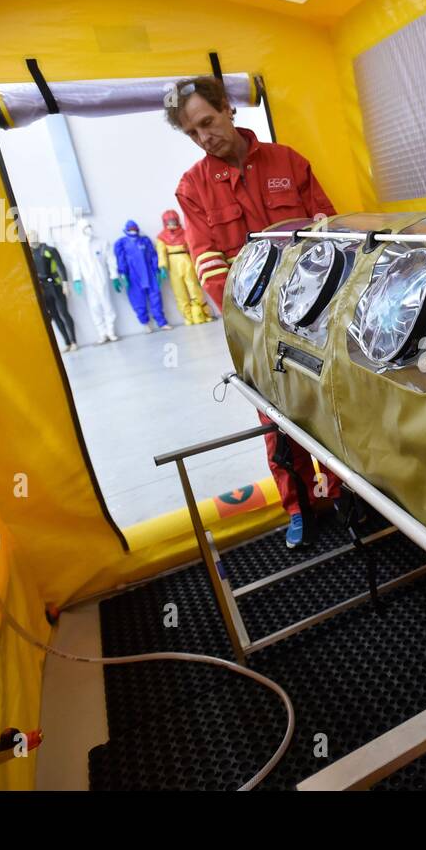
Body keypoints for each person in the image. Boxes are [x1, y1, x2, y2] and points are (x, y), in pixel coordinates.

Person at [167, 75, 339, 548]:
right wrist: (251, 322)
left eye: (207, 122)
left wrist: (316, 307)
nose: (204, 137)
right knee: (276, 420)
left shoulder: (288, 162)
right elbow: (207, 263)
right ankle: (299, 507)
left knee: (333, 407)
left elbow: (330, 232)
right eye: (192, 133)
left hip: (315, 317)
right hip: (254, 328)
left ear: (227, 108)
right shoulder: (193, 188)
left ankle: (345, 495)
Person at [155, 209, 213, 325]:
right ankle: (188, 317)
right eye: (169, 222)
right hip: (173, 266)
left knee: (194, 288)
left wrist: (197, 262)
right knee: (179, 292)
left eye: (173, 221)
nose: (171, 224)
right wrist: (162, 267)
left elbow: (192, 249)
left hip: (187, 263)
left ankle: (204, 313)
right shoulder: (161, 237)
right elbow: (161, 253)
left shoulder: (186, 233)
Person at [66, 218, 119, 344]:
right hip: (88, 282)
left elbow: (111, 260)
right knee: (94, 307)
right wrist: (77, 279)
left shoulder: (101, 242)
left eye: (89, 226)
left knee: (107, 305)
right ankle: (102, 334)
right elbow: (75, 264)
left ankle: (111, 332)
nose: (88, 229)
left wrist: (114, 276)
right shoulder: (76, 246)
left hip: (102, 279)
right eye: (85, 227)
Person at [113, 219, 171, 332]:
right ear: (126, 230)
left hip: (149, 273)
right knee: (138, 300)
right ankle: (145, 323)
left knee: (156, 298)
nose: (133, 231)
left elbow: (153, 255)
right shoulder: (122, 243)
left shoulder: (144, 241)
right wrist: (123, 274)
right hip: (133, 276)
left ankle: (162, 322)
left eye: (134, 229)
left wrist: (157, 269)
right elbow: (121, 259)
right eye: (130, 229)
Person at [29, 238, 78, 352]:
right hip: (43, 289)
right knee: (54, 316)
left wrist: (65, 284)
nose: (32, 238)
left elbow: (60, 266)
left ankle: (73, 341)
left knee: (64, 313)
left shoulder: (49, 250)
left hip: (55, 286)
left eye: (34, 235)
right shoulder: (29, 253)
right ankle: (67, 342)